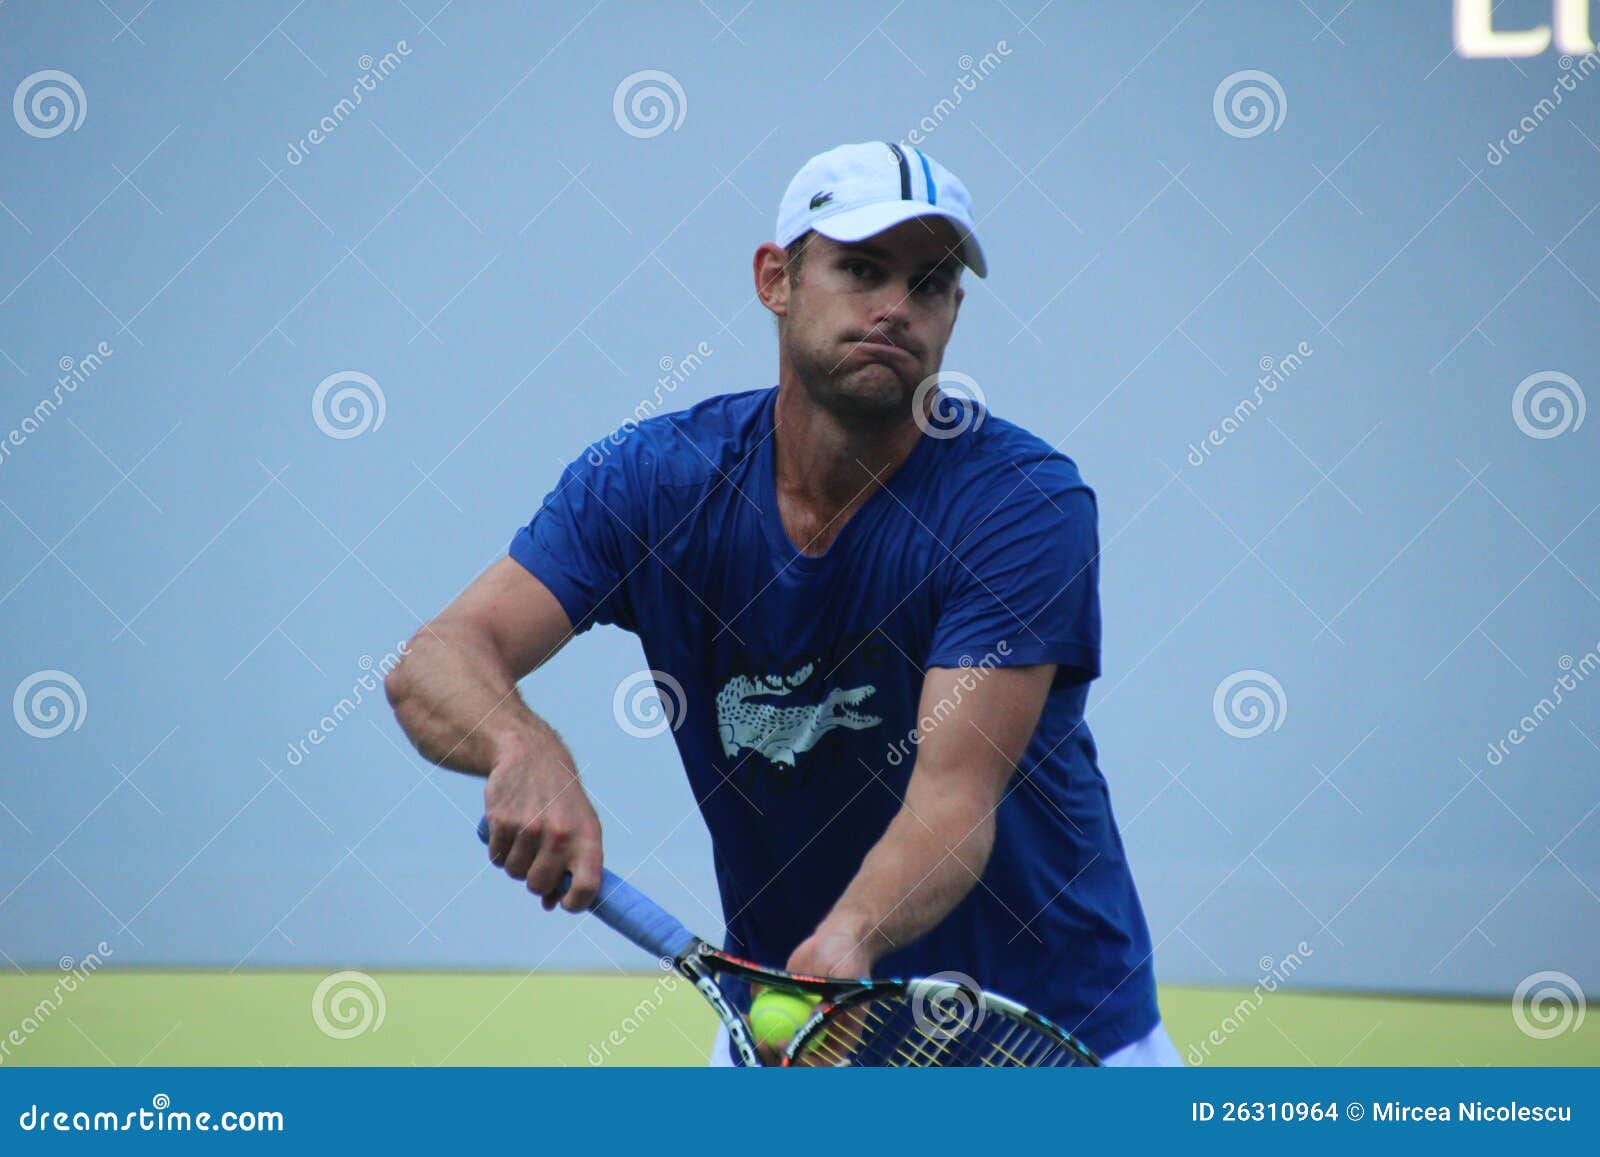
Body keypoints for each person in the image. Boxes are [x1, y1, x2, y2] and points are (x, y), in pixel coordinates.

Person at [385, 141, 1180, 1066]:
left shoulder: (1020, 505)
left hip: (1048, 1033)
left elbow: (953, 797)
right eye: (859, 268)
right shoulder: (650, 482)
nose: (895, 306)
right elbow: (436, 658)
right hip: (792, 1035)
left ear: (955, 311)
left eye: (929, 283)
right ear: (777, 279)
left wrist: (850, 938)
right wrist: (519, 746)